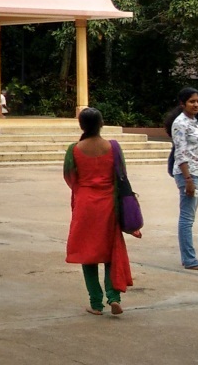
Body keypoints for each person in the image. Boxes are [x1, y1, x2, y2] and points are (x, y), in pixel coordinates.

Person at [64, 107, 137, 316]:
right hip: (109, 205)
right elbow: (122, 174)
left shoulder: (74, 149)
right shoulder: (113, 146)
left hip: (85, 205)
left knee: (88, 253)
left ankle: (96, 303)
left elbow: (70, 178)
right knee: (110, 252)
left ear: (81, 125)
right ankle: (114, 297)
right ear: (101, 123)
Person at [167, 87, 198, 272]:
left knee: (190, 217)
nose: (196, 104)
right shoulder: (180, 123)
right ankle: (190, 259)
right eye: (192, 101)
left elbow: (194, 146)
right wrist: (188, 180)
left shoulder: (193, 122)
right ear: (182, 103)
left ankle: (190, 257)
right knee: (187, 218)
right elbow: (181, 152)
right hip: (189, 174)